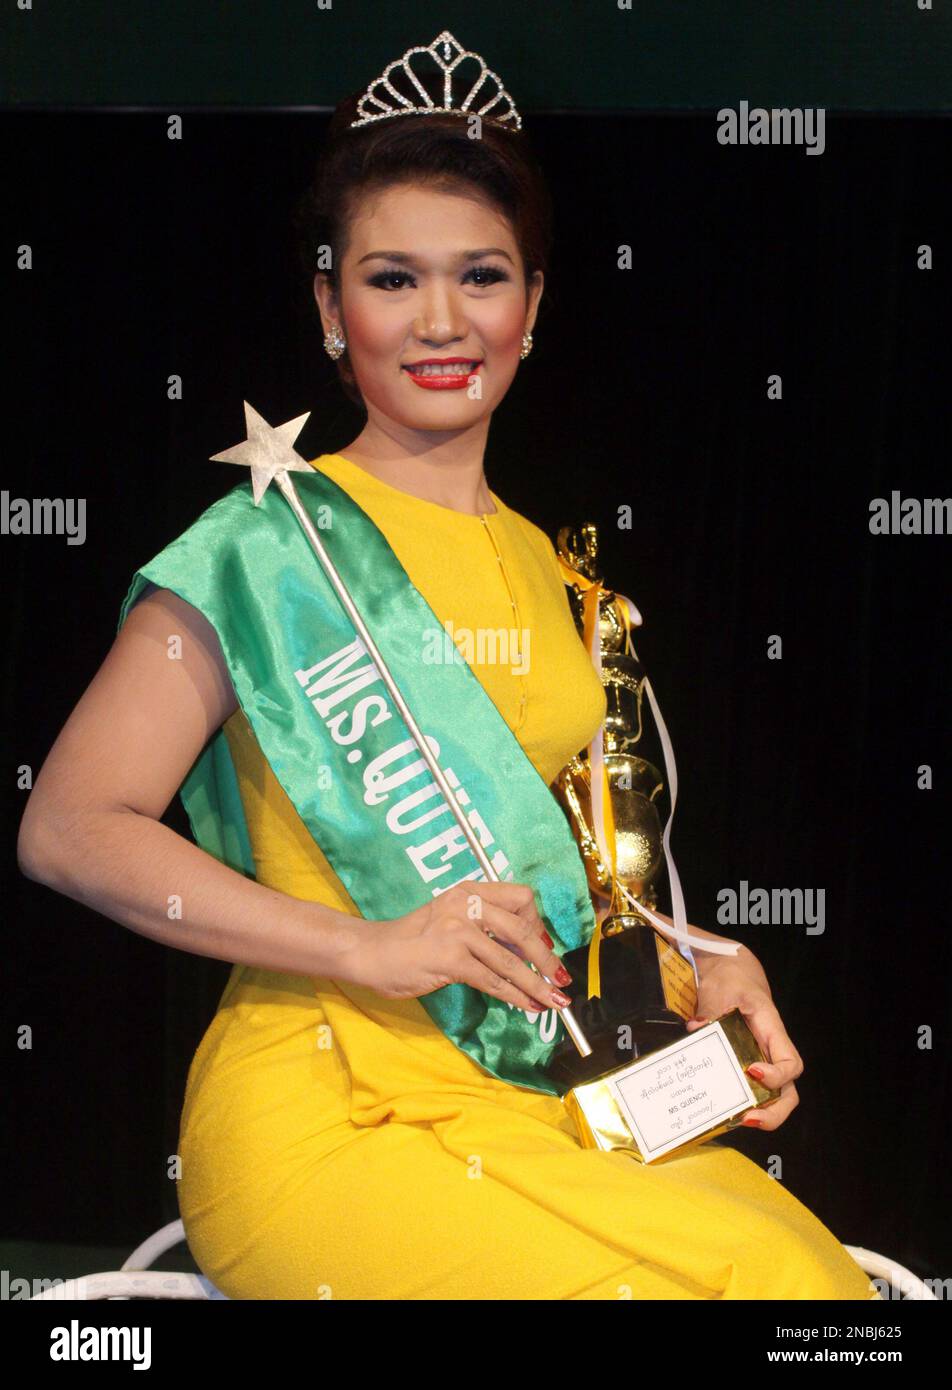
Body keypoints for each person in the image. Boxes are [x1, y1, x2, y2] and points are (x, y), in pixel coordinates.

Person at [16, 30, 879, 1300]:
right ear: (329, 308)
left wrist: (697, 960)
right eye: (390, 279)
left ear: (533, 306)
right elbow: (69, 827)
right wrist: (363, 948)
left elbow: (538, 879)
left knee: (800, 1286)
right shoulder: (267, 547)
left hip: (532, 1083)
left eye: (480, 277)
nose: (439, 321)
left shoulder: (549, 566)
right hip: (326, 1103)